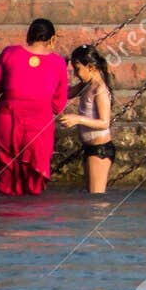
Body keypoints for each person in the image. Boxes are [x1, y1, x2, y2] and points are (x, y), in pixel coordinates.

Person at [0, 18, 70, 196]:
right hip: (39, 126)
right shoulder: (58, 63)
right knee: (33, 188)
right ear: (52, 39)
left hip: (6, 122)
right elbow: (58, 106)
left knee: (5, 183)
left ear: (28, 36)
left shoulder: (9, 53)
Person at [58, 44, 115, 193]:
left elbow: (104, 123)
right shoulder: (86, 84)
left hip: (100, 150)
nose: (76, 74)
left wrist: (78, 119)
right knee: (91, 198)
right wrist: (60, 70)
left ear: (90, 67)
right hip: (90, 148)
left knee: (96, 198)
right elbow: (66, 94)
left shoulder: (100, 89)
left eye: (77, 69)